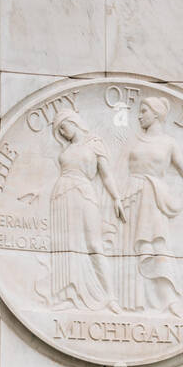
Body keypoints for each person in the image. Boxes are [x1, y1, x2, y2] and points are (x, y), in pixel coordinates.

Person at [116, 96, 183, 314]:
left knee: (158, 247)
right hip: (131, 197)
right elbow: (116, 172)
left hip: (154, 198)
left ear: (156, 114)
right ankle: (136, 302)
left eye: (144, 111)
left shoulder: (169, 143)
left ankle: (168, 300)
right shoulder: (133, 141)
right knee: (130, 249)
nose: (139, 115)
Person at [49, 110, 125, 311]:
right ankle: (68, 294)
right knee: (66, 244)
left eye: (64, 128)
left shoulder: (95, 144)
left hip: (85, 192)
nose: (64, 133)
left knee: (94, 244)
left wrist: (116, 198)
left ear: (74, 122)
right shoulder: (66, 149)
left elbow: (106, 175)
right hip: (62, 194)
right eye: (60, 132)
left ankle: (110, 297)